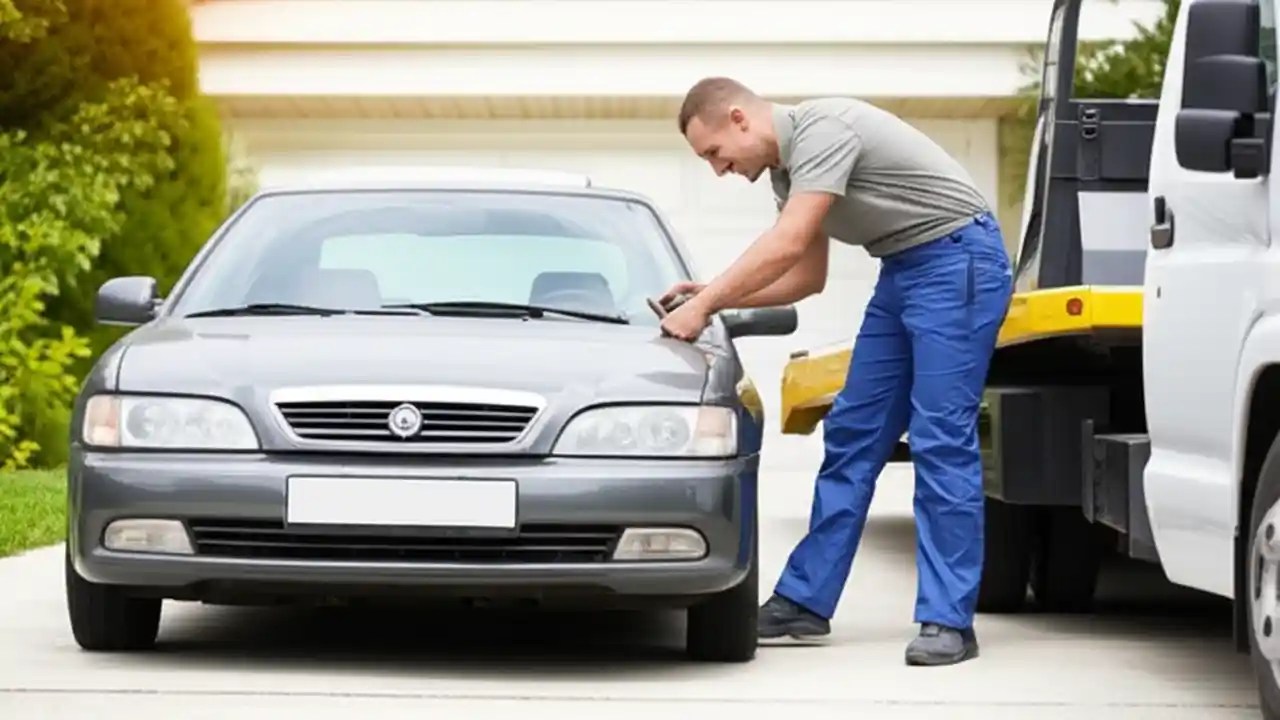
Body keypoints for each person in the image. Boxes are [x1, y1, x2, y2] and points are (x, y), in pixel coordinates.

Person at [657, 77, 1014, 666]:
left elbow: (789, 241)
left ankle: (948, 620)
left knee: (939, 438)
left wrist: (708, 302)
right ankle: (805, 601)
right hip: (904, 271)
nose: (719, 170)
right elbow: (806, 275)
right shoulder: (786, 172)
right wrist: (712, 293)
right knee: (852, 433)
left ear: (740, 119)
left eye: (715, 154)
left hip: (958, 263)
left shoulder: (824, 128)